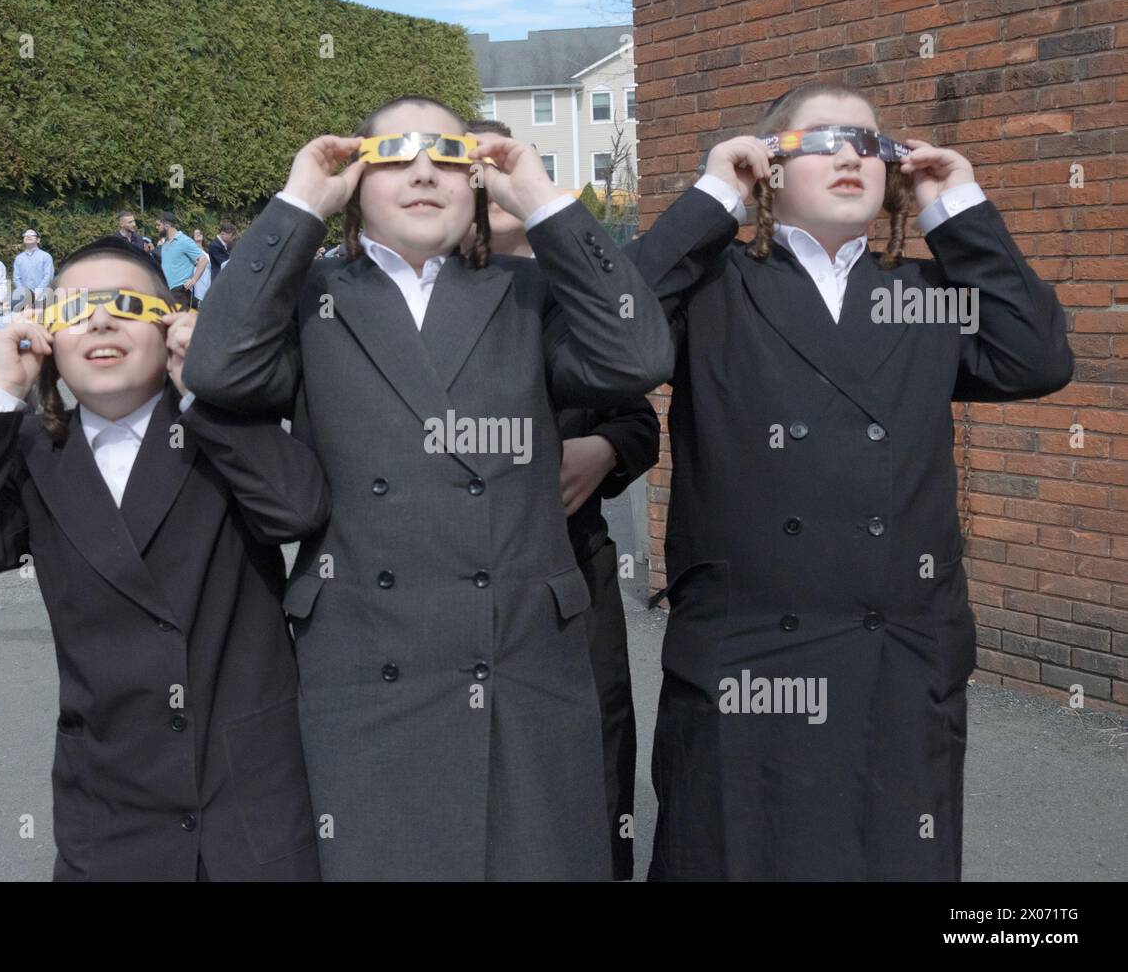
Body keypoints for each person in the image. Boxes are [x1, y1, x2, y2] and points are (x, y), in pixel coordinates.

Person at [183, 95, 672, 881]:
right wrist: (299, 202)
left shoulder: (527, 292)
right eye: (395, 156)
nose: (422, 171)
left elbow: (640, 355)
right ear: (355, 184)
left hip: (520, 658)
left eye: (448, 157)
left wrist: (542, 199)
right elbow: (217, 369)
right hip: (365, 658)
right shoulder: (309, 298)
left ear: (479, 184)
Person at [627, 81, 1074, 881]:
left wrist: (955, 203)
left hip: (898, 652)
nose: (849, 156)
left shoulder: (921, 293)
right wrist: (712, 196)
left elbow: (1034, 359)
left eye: (870, 143)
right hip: (752, 650)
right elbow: (610, 333)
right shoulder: (713, 283)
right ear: (767, 167)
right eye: (822, 140)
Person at [0, 237, 331, 881]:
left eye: (127, 305)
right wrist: (0, 391)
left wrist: (205, 392)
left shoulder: (219, 430)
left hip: (248, 795)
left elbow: (297, 510)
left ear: (173, 329)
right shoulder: (37, 452)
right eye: (73, 310)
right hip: (112, 802)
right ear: (45, 339)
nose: (100, 321)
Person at [462, 117, 657, 881]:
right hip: (461, 568)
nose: (496, 185)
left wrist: (603, 450)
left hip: (574, 562)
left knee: (596, 737)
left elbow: (640, 420)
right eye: (475, 172)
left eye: (512, 167)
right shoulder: (423, 303)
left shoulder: (577, 291)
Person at [154, 212, 209, 308]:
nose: (156, 227)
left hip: (180, 291)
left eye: (158, 225)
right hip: (166, 291)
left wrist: (194, 280)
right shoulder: (165, 243)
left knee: (178, 322)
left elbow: (203, 259)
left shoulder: (184, 241)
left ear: (166, 225)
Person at [12, 229, 54, 309]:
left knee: (41, 320)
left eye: (31, 234)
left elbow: (48, 276)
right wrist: (23, 293)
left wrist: (37, 292)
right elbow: (16, 278)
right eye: (25, 234)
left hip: (42, 297)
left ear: (38, 240)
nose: (28, 236)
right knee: (21, 320)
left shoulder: (46, 256)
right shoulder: (19, 258)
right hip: (23, 299)